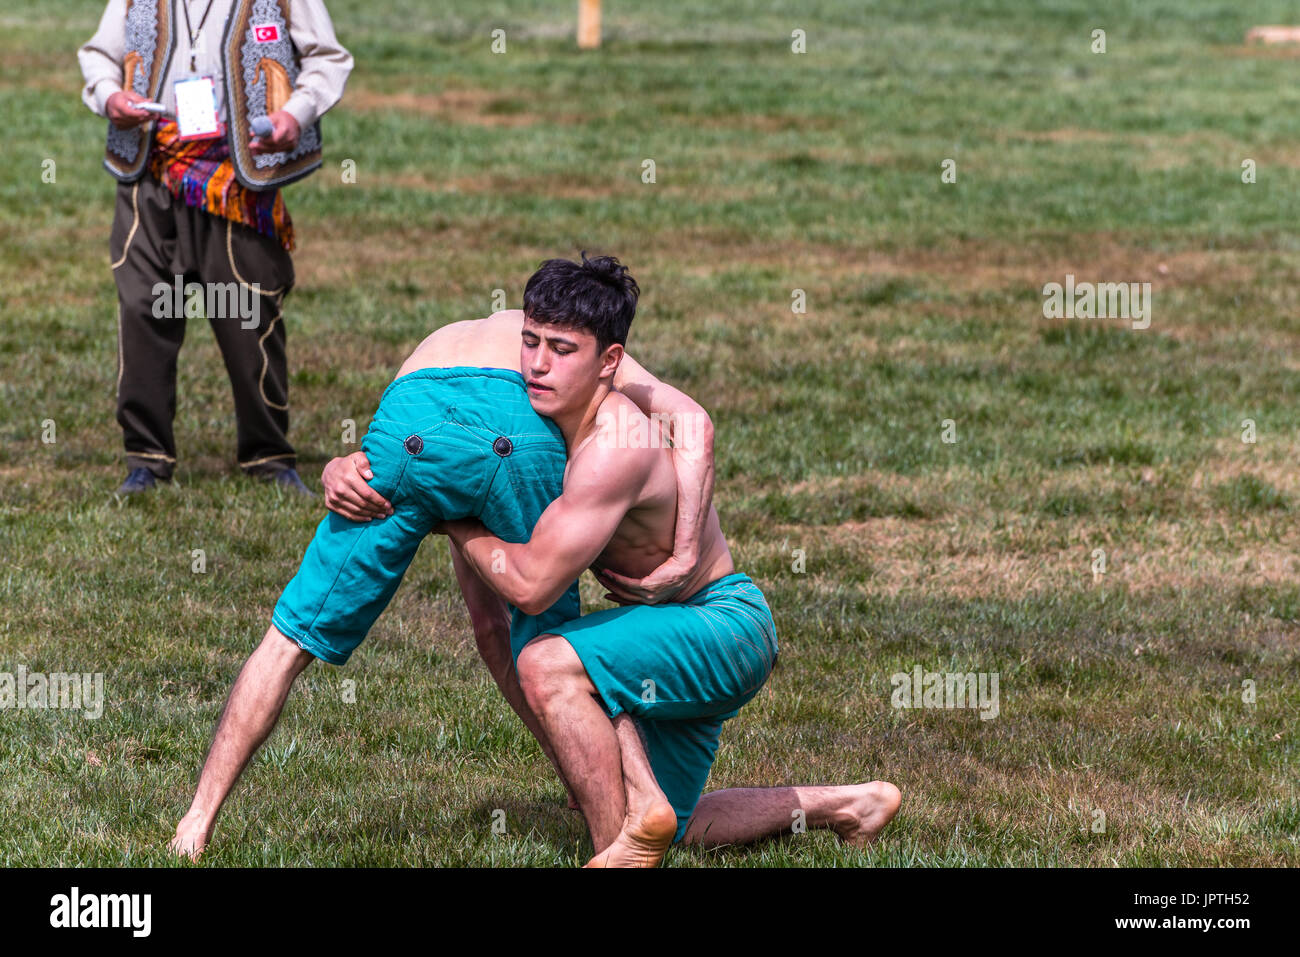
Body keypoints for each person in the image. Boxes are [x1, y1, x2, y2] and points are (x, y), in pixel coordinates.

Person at [168, 286, 714, 858]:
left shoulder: (481, 339)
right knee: (554, 645)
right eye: (534, 341)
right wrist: (683, 554)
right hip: (516, 426)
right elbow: (693, 424)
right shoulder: (576, 349)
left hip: (409, 423)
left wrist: (342, 466)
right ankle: (619, 825)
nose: (541, 356)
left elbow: (480, 602)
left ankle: (196, 823)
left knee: (289, 639)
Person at [440, 254, 901, 867]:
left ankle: (619, 852)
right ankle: (852, 805)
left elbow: (528, 588)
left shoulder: (615, 442)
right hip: (675, 635)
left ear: (611, 362)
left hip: (721, 626)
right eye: (530, 342)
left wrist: (448, 515)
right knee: (678, 826)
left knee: (548, 663)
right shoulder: (542, 403)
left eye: (561, 348)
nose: (538, 364)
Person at [78, 0, 353, 495]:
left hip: (238, 174)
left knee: (246, 314)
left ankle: (269, 458)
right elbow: (99, 53)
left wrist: (296, 113)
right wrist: (108, 95)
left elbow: (328, 58)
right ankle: (146, 459)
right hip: (151, 166)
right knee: (145, 307)